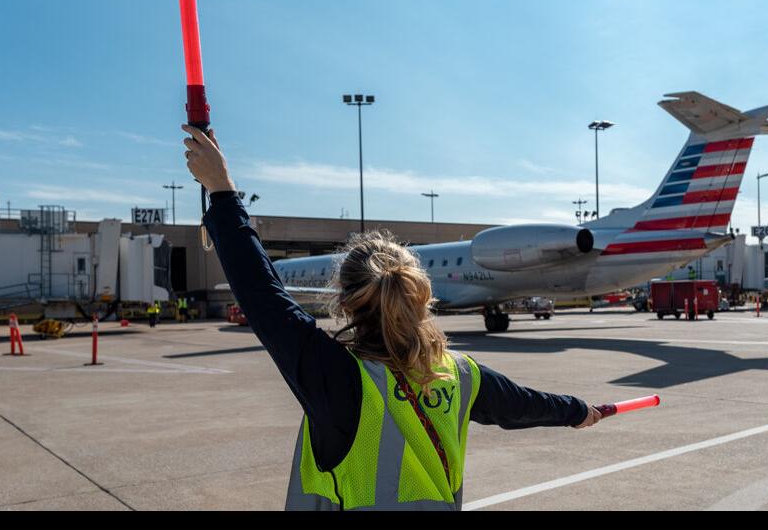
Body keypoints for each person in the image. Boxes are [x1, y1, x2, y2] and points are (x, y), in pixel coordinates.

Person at [181, 125, 602, 511]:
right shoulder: (463, 377)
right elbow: (523, 406)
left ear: (345, 302)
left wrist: (221, 191)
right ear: (421, 296)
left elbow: (262, 294)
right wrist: (577, 410)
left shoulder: (334, 377)